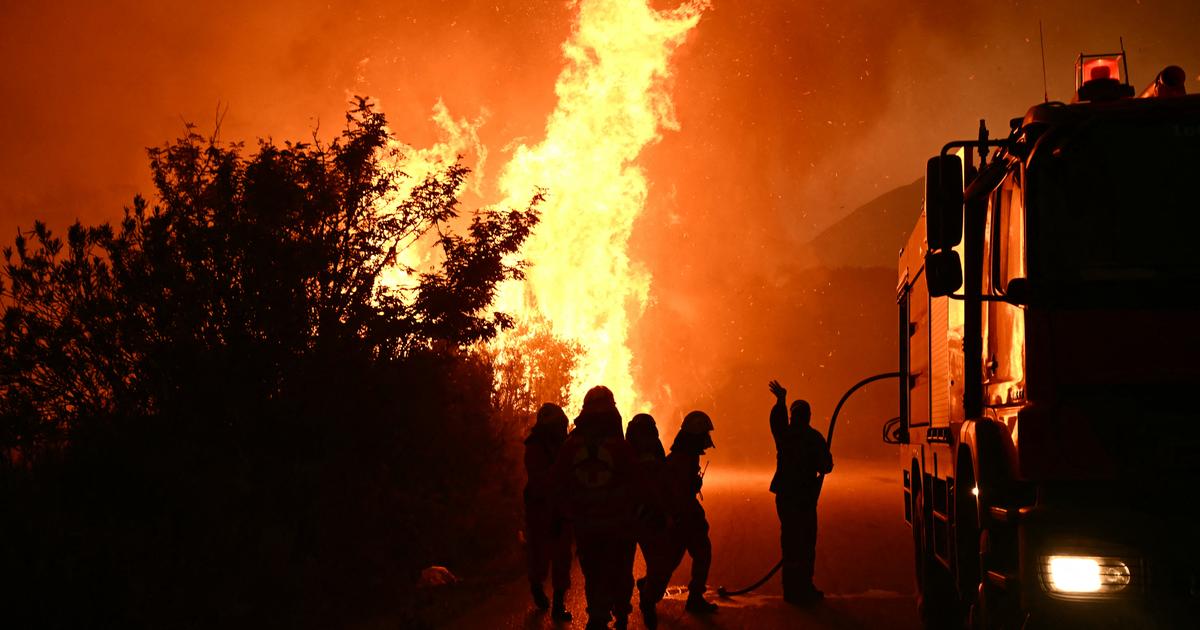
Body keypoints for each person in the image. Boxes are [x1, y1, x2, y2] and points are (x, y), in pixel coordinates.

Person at [553, 386, 638, 630]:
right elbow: (636, 482)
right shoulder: (621, 447)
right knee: (620, 570)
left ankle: (599, 616)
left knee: (594, 572)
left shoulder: (571, 446)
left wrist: (562, 514)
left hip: (587, 524)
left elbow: (557, 482)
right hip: (619, 524)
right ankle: (620, 613)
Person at [638, 411, 718, 629]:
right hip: (677, 518)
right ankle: (648, 595)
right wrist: (674, 518)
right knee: (666, 566)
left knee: (702, 552)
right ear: (696, 434)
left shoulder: (687, 455)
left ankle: (693, 598)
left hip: (685, 515)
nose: (706, 439)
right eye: (704, 434)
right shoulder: (680, 460)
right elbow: (673, 494)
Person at [768, 380, 834, 604]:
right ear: (808, 416)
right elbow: (827, 466)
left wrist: (780, 401)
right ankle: (804, 587)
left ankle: (790, 590)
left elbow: (776, 423)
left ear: (793, 416)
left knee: (790, 542)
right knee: (805, 544)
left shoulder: (785, 436)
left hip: (786, 498)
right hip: (805, 499)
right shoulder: (814, 438)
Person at [523, 403, 574, 622]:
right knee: (540, 554)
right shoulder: (536, 447)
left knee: (561, 557)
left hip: (557, 508)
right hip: (542, 507)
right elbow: (540, 479)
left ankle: (558, 603)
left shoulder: (562, 445)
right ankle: (537, 586)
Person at [621, 414, 667, 620]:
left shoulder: (651, 448)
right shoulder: (623, 450)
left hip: (645, 517)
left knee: (656, 566)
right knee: (625, 568)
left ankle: (644, 598)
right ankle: (624, 610)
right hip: (633, 517)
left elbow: (663, 481)